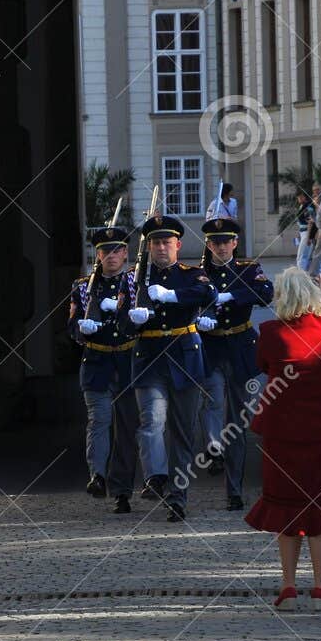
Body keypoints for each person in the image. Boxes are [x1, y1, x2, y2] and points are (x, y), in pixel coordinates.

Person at [245, 268, 321, 610]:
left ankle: (287, 584)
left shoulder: (269, 332)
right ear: (314, 295)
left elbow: (263, 364)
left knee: (285, 505)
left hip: (282, 433)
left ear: (281, 298)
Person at [126, 213, 216, 521]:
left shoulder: (191, 275)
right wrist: (132, 319)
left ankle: (178, 496)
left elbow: (209, 293)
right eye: (156, 243)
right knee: (151, 421)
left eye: (167, 242)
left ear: (178, 244)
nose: (161, 248)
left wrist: (171, 296)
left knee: (182, 431)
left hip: (184, 357)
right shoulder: (135, 279)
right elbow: (121, 325)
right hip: (149, 357)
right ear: (148, 247)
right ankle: (157, 477)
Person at [197, 217, 274, 510]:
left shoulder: (248, 269)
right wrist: (197, 321)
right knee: (214, 402)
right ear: (209, 244)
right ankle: (214, 449)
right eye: (215, 242)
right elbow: (187, 302)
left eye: (225, 241)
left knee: (238, 423)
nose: (220, 247)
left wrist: (231, 295)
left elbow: (266, 294)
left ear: (234, 243)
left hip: (240, 348)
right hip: (211, 347)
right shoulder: (199, 273)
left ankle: (234, 489)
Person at [67, 224, 140, 513]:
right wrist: (82, 330)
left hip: (127, 362)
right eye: (104, 251)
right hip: (96, 362)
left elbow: (141, 319)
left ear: (125, 253)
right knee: (99, 421)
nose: (110, 255)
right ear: (97, 255)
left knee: (126, 426)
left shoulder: (135, 283)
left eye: (116, 250)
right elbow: (72, 326)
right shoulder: (83, 286)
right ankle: (97, 475)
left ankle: (122, 489)